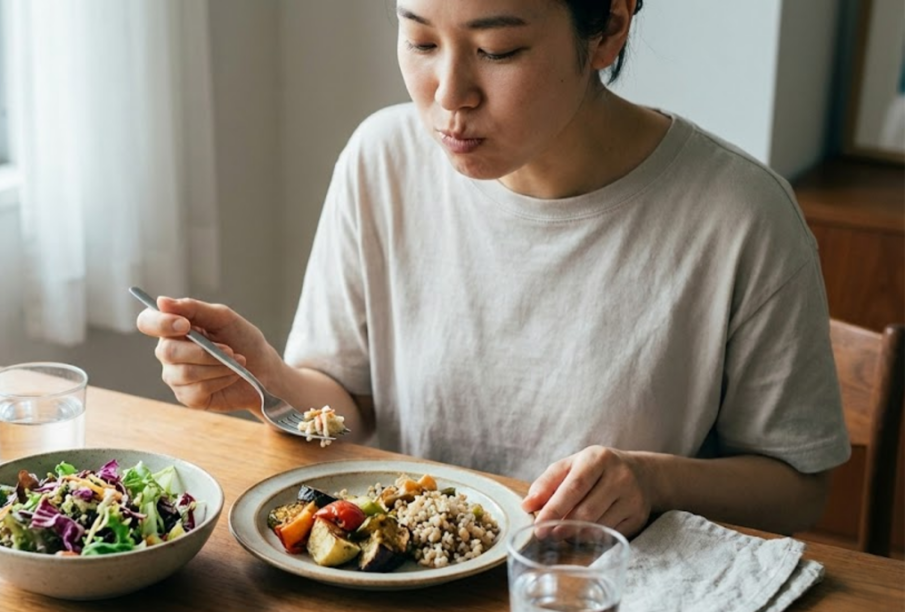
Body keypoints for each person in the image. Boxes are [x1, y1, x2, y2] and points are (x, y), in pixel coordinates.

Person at [136, 0, 850, 538]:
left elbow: (798, 486)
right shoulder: (382, 160)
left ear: (608, 27)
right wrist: (267, 378)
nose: (449, 94)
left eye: (498, 49)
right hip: (407, 587)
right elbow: (344, 407)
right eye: (419, 39)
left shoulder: (740, 215)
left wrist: (653, 481)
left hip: (597, 602)